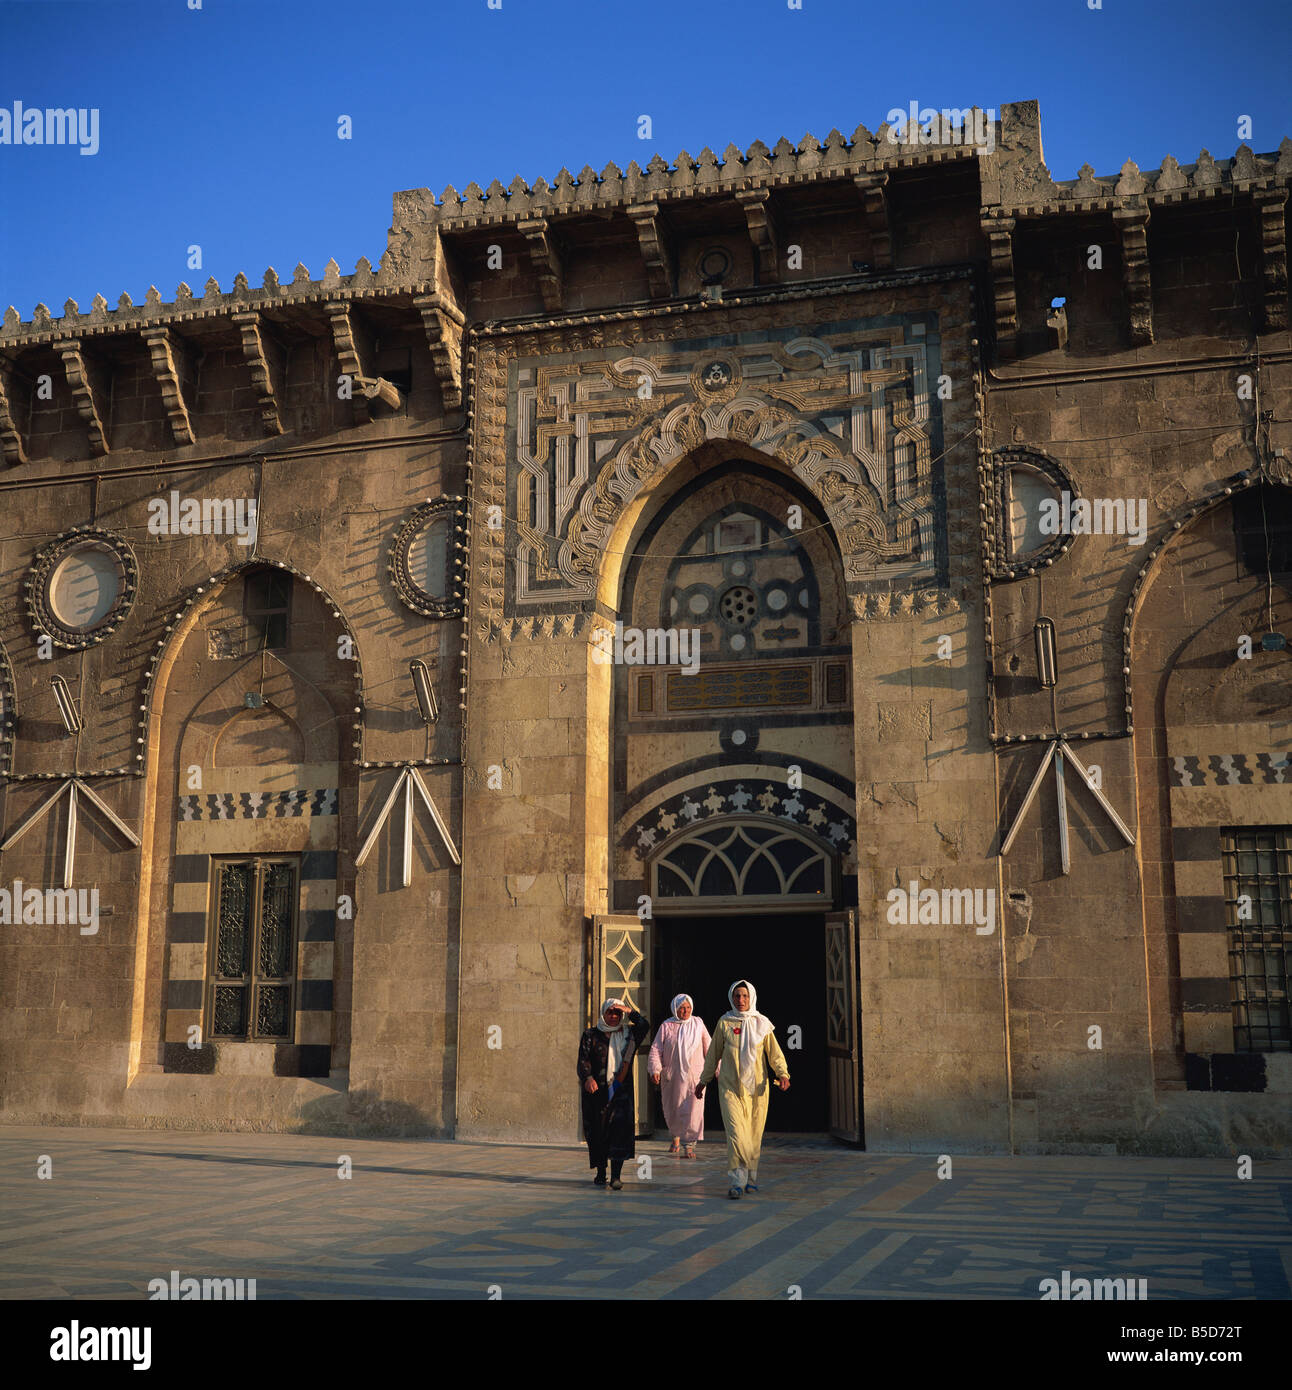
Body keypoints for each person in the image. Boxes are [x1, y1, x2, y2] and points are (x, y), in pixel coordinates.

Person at [695, 979, 789, 1199]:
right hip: (730, 1088)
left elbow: (774, 1054)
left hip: (757, 1090)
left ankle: (752, 1178)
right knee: (737, 1134)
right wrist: (703, 1080)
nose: (741, 1000)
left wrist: (783, 1073)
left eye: (745, 996)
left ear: (752, 997)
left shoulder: (762, 1024)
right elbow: (713, 1055)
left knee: (754, 1135)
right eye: (737, 996)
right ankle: (737, 1181)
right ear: (731, 997)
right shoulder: (725, 1023)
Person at [577, 997, 650, 1190]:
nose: (613, 1016)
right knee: (598, 1133)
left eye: (617, 1013)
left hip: (620, 1092)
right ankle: (601, 1172)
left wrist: (628, 1010)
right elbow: (583, 1059)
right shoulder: (591, 1034)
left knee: (619, 1132)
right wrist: (588, 1078)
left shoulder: (629, 1034)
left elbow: (644, 1024)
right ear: (603, 1013)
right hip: (597, 1093)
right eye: (610, 1012)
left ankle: (616, 1176)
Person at [648, 993, 711, 1158]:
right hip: (673, 1077)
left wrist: (716, 1070)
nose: (685, 1011)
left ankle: (689, 1145)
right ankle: (676, 1136)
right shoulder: (667, 1026)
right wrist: (655, 1069)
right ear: (675, 1009)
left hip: (695, 1077)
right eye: (682, 1008)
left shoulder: (698, 1024)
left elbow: (710, 1049)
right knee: (674, 1108)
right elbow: (656, 1049)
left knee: (693, 1110)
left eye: (688, 1007)